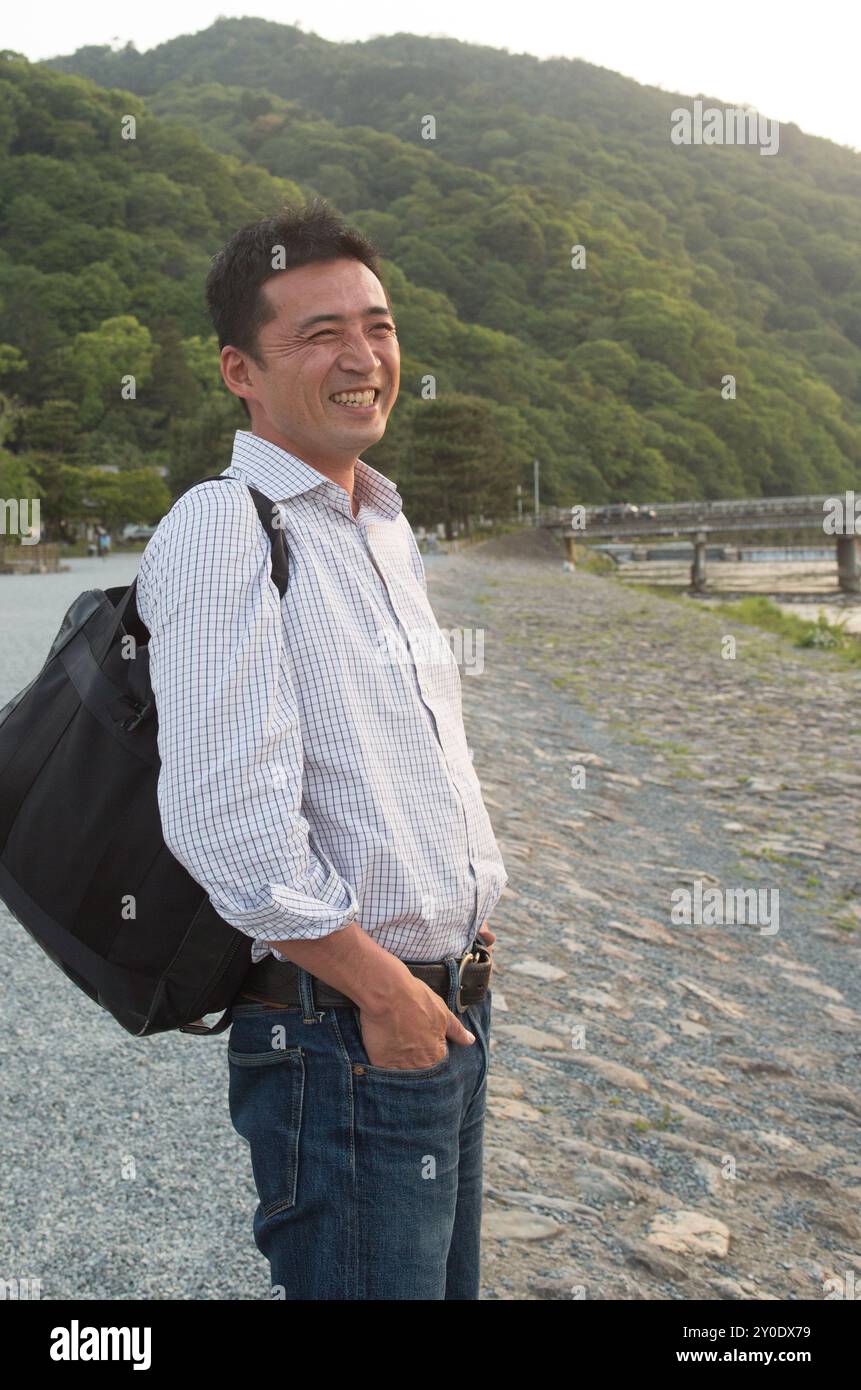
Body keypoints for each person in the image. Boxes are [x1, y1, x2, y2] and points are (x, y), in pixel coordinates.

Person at [135, 199, 508, 1300]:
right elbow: (224, 823)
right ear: (240, 371)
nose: (363, 357)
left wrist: (461, 921)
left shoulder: (382, 524)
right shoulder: (226, 525)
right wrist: (386, 993)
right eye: (320, 334)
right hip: (343, 1037)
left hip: (440, 1011)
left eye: (378, 325)